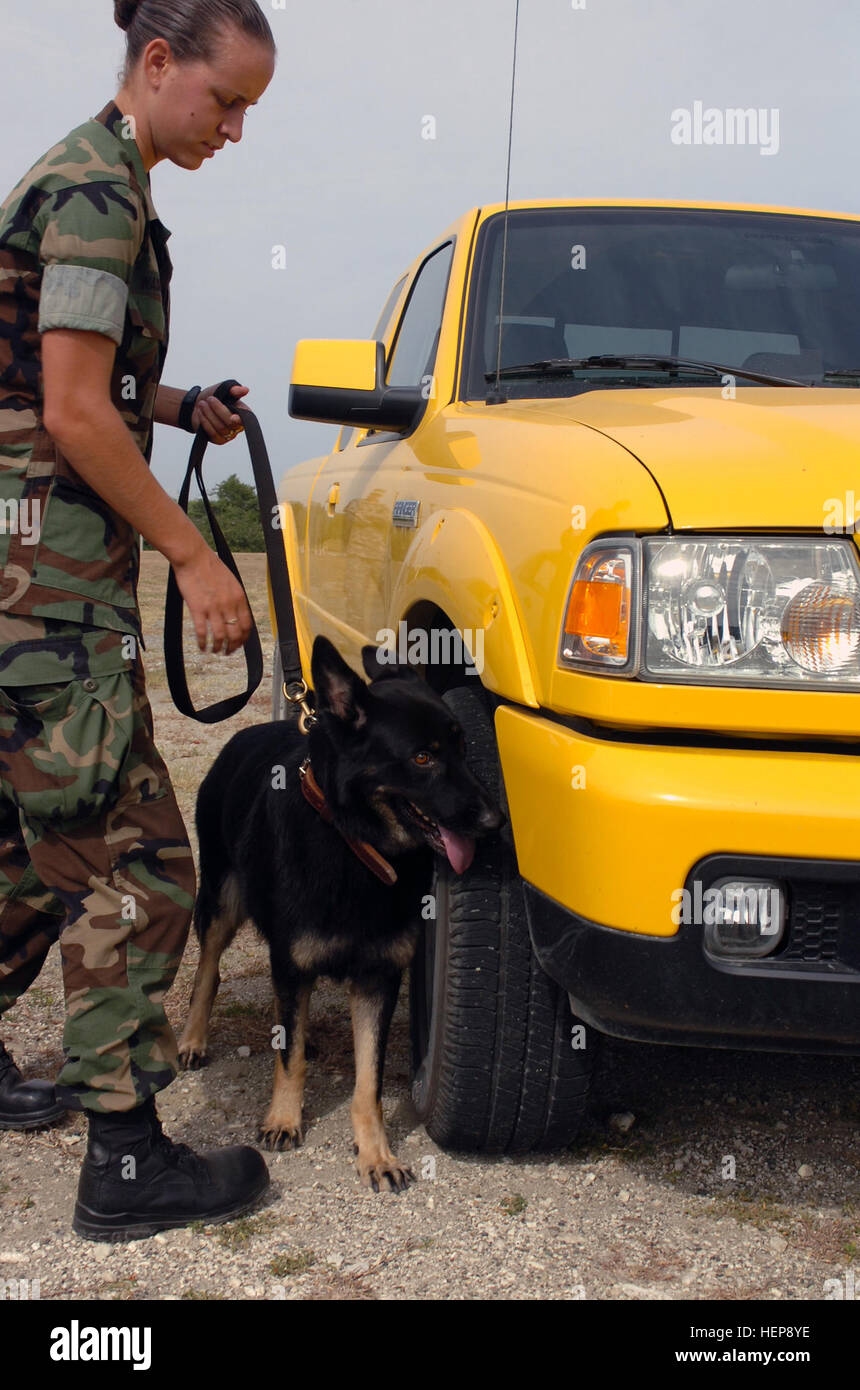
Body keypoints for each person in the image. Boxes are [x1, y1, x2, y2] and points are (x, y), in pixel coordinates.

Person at [0, 0, 277, 1241]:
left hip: (25, 578)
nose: (232, 130)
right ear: (157, 64)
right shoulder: (98, 191)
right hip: (44, 590)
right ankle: (124, 1159)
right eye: (224, 102)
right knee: (142, 862)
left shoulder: (98, 176)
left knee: (29, 853)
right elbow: (67, 412)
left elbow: (71, 375)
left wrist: (176, 405)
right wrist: (191, 557)